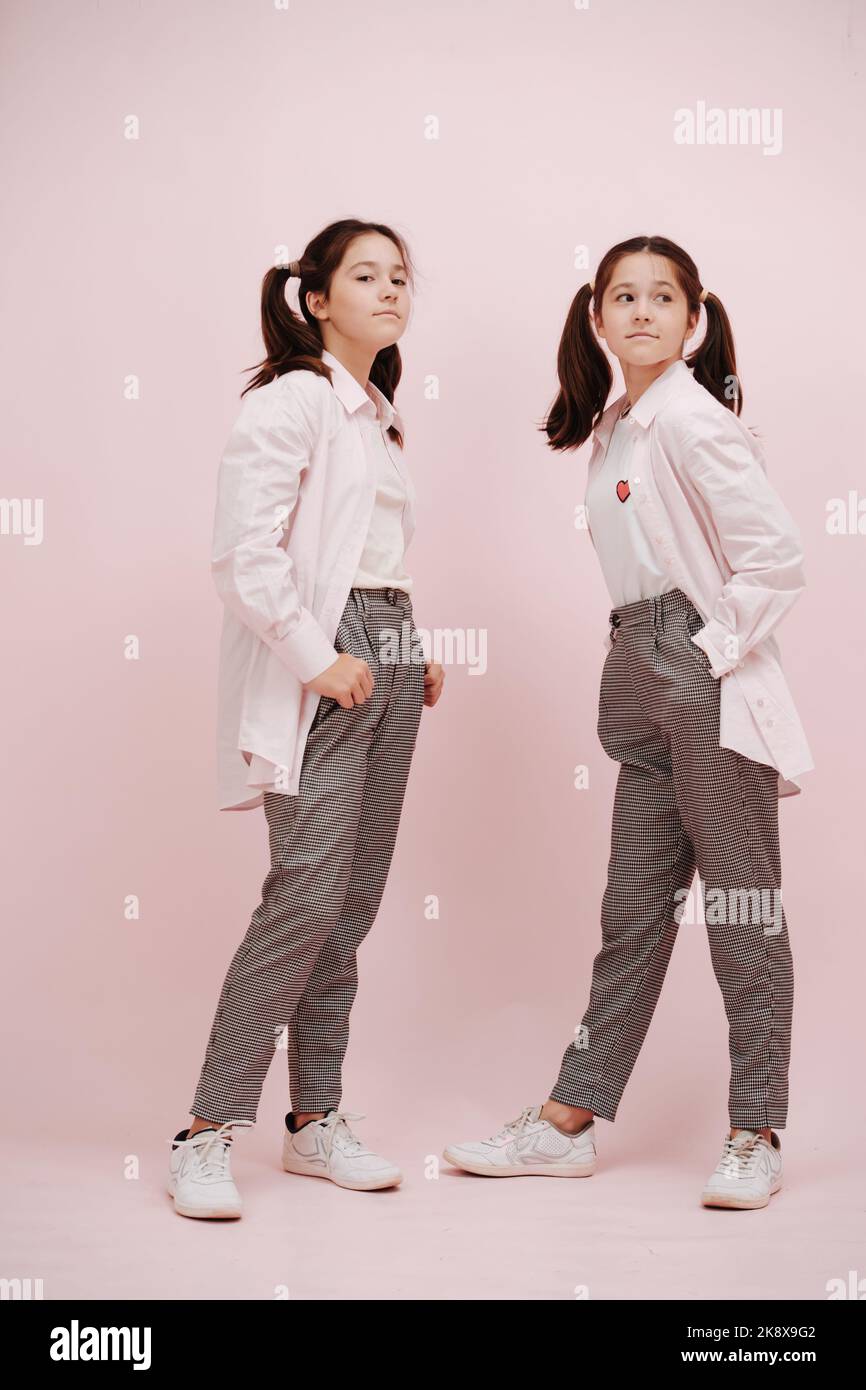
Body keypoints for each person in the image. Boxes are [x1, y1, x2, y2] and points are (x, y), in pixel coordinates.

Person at [442, 235, 813, 1210]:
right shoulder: (618, 426)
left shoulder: (690, 421)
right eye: (622, 296)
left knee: (739, 906)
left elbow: (773, 558)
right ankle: (569, 1119)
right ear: (596, 316)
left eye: (661, 297)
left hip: (697, 665)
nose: (640, 311)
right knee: (631, 909)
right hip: (631, 666)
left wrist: (708, 649)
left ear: (692, 319)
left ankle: (753, 1128)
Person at [167, 218, 445, 1219]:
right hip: (323, 657)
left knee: (351, 902)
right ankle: (205, 1130)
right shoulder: (290, 401)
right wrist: (318, 656)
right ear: (314, 298)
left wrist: (410, 642)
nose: (389, 289)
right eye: (363, 275)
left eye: (399, 276)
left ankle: (312, 1121)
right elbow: (243, 557)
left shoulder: (374, 410)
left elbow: (361, 548)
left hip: (387, 649)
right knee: (302, 895)